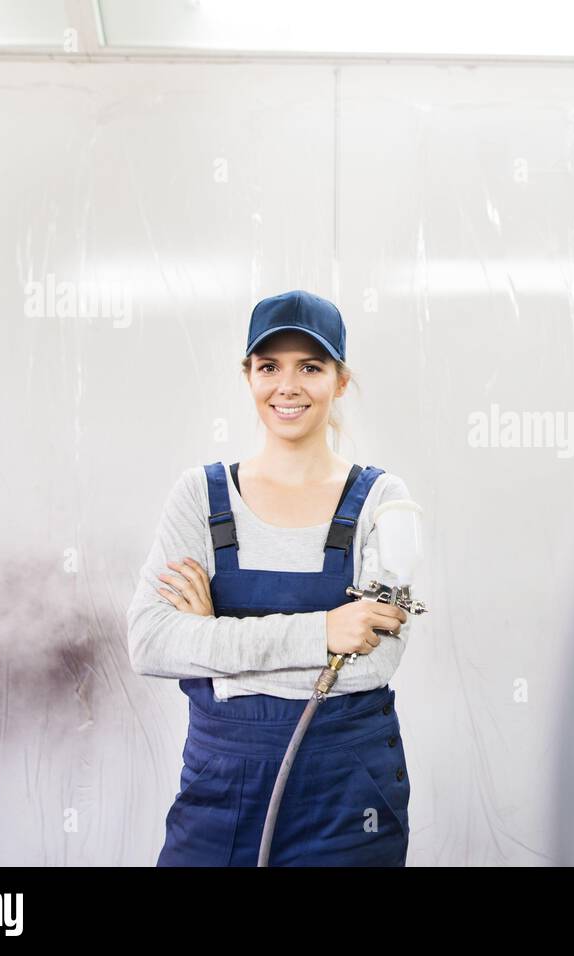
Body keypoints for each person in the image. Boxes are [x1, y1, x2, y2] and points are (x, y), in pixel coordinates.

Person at [126, 289, 416, 866]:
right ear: (249, 377)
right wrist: (323, 632)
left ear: (339, 381)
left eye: (310, 367)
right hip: (219, 793)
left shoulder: (383, 501)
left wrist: (214, 647)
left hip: (349, 796)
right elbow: (150, 643)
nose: (288, 385)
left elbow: (374, 663)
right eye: (269, 366)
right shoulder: (199, 496)